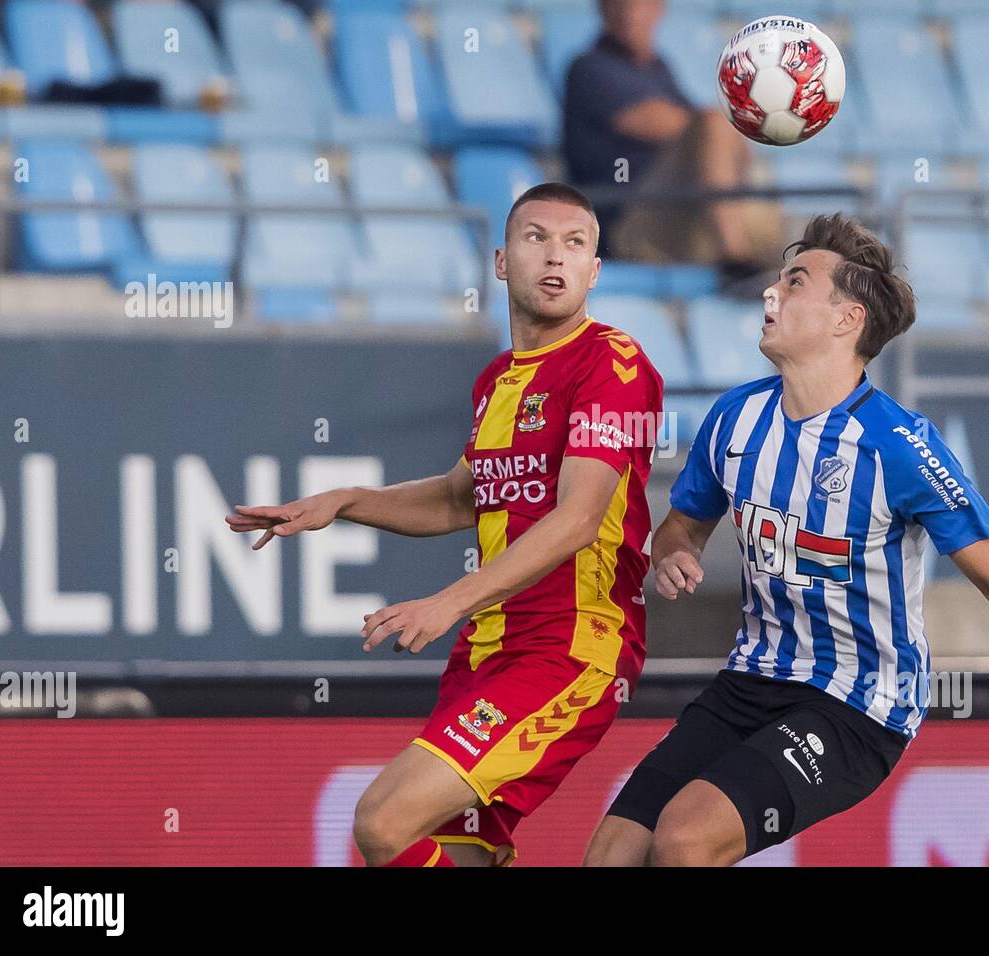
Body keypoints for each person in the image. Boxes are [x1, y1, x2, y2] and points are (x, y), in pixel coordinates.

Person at [583, 213, 989, 866]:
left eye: (794, 282)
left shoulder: (899, 447)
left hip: (858, 706)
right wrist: (675, 552)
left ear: (847, 319)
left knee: (684, 838)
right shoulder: (735, 418)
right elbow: (682, 527)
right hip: (750, 681)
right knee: (612, 853)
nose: (771, 293)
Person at [226, 183, 663, 867]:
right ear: (501, 262)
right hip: (489, 653)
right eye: (537, 238)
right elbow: (460, 500)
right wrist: (344, 501)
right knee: (459, 853)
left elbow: (579, 518)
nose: (556, 256)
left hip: (570, 648)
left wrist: (447, 602)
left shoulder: (612, 363)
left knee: (383, 822)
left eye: (575, 243)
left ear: (594, 270)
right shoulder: (496, 381)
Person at [562, 0, 781, 280]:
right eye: (620, 4)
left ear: (658, 9)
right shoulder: (589, 67)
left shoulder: (658, 68)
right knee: (717, 124)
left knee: (770, 219)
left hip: (676, 212)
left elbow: (726, 139)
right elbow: (657, 123)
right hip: (627, 224)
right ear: (602, 8)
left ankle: (765, 272)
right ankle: (736, 262)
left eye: (641, 5)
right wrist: (724, 131)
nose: (630, 14)